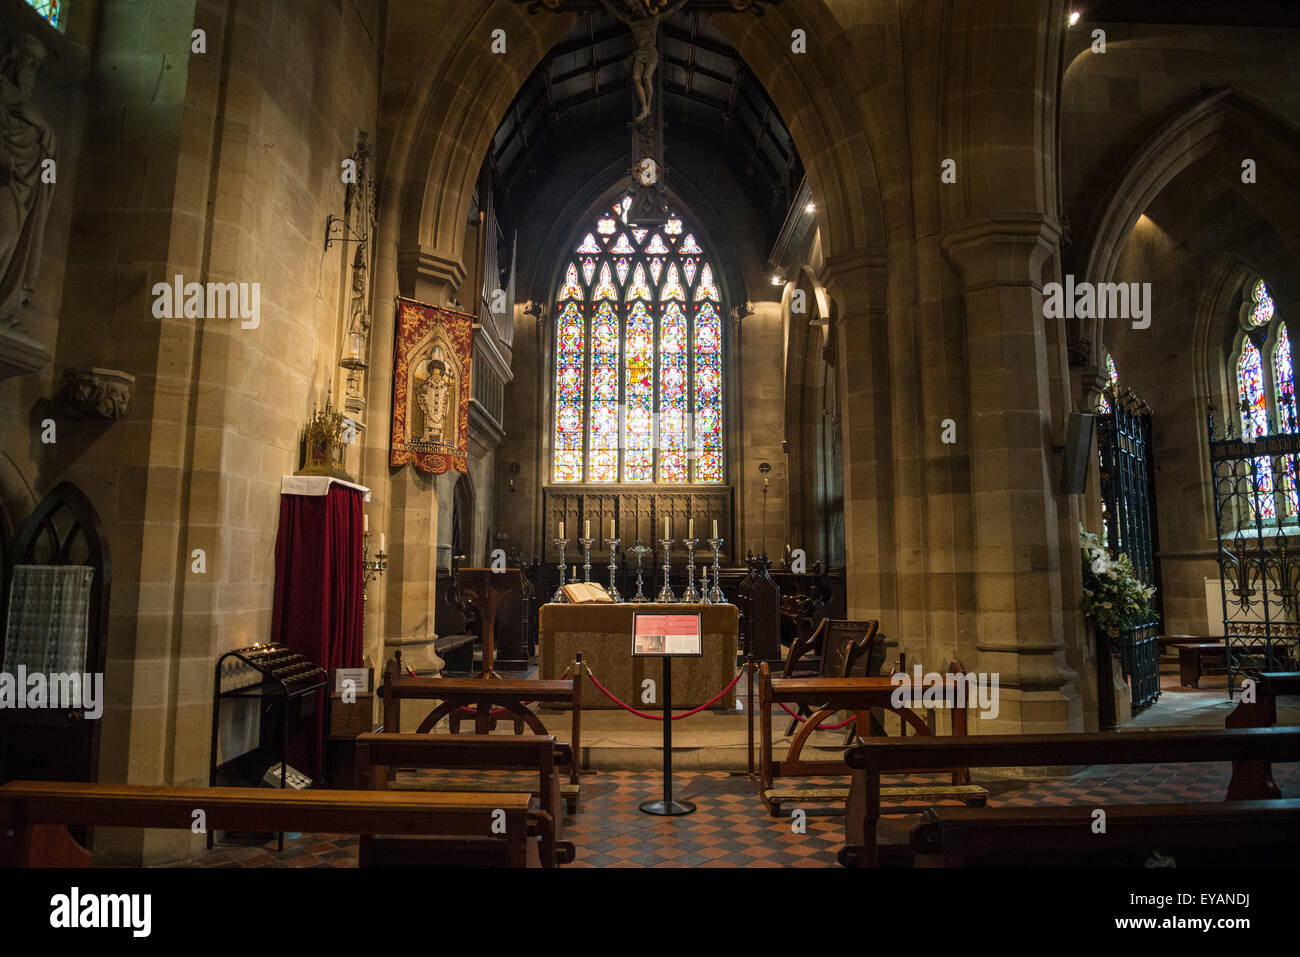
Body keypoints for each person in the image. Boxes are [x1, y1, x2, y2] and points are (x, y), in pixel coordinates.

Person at [0, 34, 57, 329]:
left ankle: (6, 308)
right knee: (5, 237)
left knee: (16, 241)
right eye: (28, 58)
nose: (31, 68)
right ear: (13, 54)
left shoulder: (32, 106)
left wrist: (40, 124)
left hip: (28, 187)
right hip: (6, 181)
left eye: (37, 63)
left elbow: (51, 155)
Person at [599, 0, 688, 125]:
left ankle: (648, 107)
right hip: (640, 54)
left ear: (644, 6)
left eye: (636, 6)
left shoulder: (654, 19)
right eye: (633, 9)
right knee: (636, 78)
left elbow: (673, 9)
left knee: (646, 78)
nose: (635, 9)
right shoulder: (633, 23)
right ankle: (644, 107)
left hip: (651, 54)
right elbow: (615, 12)